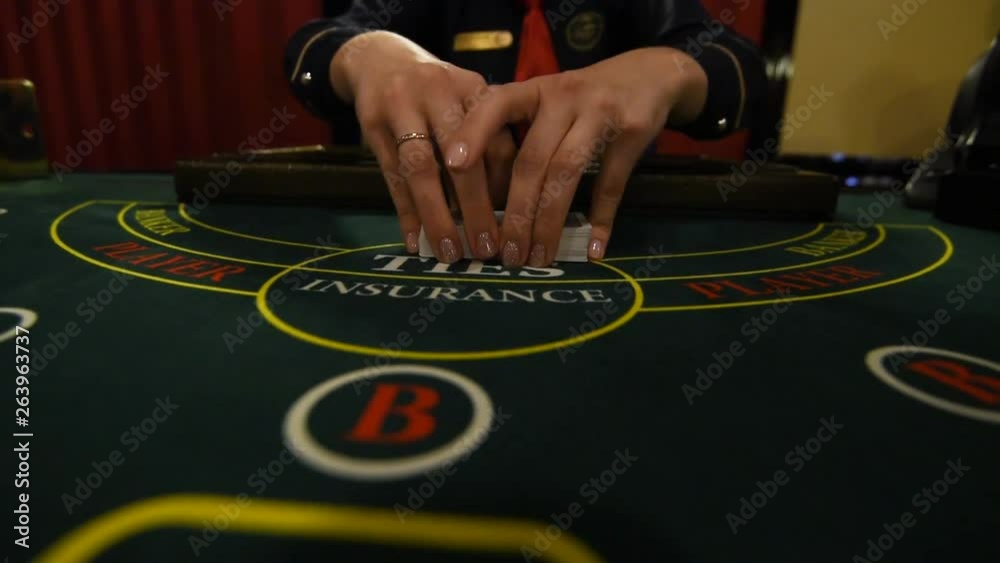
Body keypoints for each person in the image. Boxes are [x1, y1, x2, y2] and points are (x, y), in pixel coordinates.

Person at [286, 1, 766, 266]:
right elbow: (312, 47)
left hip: (619, 237)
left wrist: (674, 69)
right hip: (450, 219)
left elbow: (740, 71)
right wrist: (364, 55)